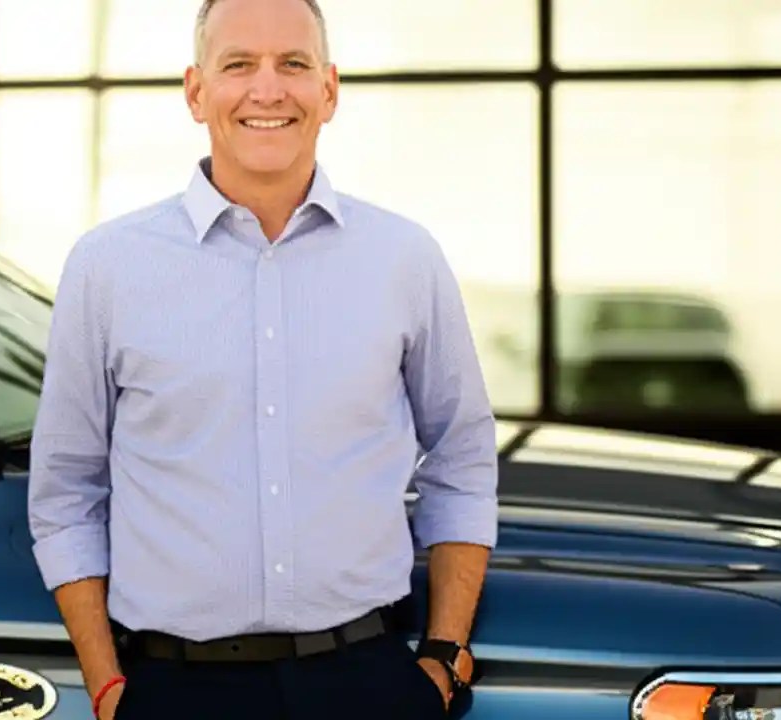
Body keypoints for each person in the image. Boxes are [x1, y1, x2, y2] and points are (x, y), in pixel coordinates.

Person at [27, 0, 498, 717]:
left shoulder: (404, 259)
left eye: (294, 65)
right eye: (238, 64)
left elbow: (461, 457)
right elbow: (65, 494)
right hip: (174, 690)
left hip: (368, 682)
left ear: (330, 90)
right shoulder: (107, 268)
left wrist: (441, 657)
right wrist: (108, 686)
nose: (268, 90)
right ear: (195, 91)